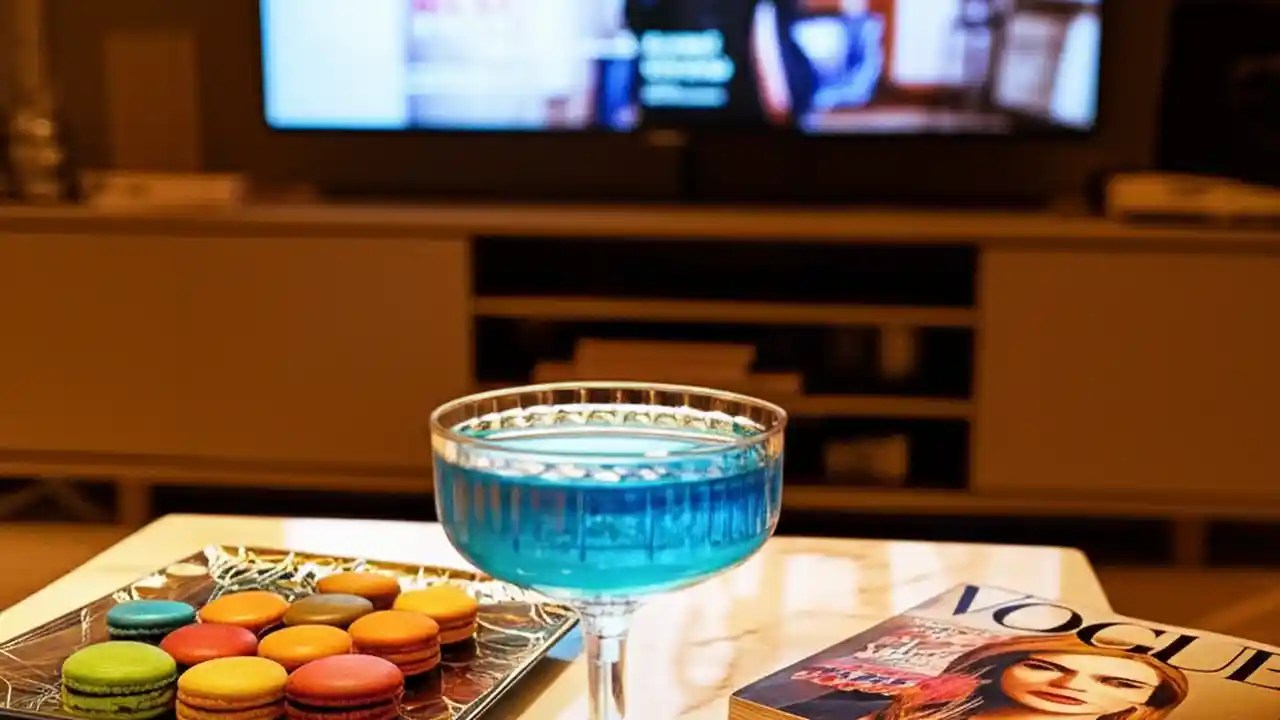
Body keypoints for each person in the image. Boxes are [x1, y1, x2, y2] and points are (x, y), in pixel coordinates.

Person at [781, 634, 1190, 720]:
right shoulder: (854, 707)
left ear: (1144, 705)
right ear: (1000, 668)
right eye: (1044, 666)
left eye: (1118, 683)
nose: (1070, 686)